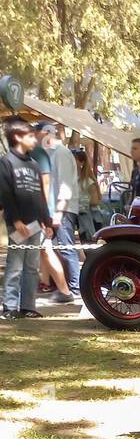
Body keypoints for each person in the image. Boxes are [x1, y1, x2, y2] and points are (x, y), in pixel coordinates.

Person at [1, 118, 54, 319]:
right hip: (19, 224)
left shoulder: (33, 164)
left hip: (35, 225)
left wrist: (46, 222)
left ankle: (28, 306)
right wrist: (15, 220)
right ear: (17, 137)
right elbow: (6, 194)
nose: (34, 140)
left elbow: (39, 195)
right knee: (15, 266)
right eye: (30, 136)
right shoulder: (6, 162)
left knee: (31, 267)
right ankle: (10, 306)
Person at [35, 123, 81, 298]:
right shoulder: (50, 154)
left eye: (38, 134)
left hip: (64, 209)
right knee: (51, 248)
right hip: (54, 209)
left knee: (66, 247)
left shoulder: (61, 153)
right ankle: (59, 285)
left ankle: (75, 288)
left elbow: (65, 184)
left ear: (47, 133)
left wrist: (59, 212)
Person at [72, 147, 105, 238]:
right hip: (80, 218)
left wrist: (78, 201)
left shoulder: (89, 181)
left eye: (74, 161)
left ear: (81, 162)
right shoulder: (74, 179)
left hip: (91, 219)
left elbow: (95, 201)